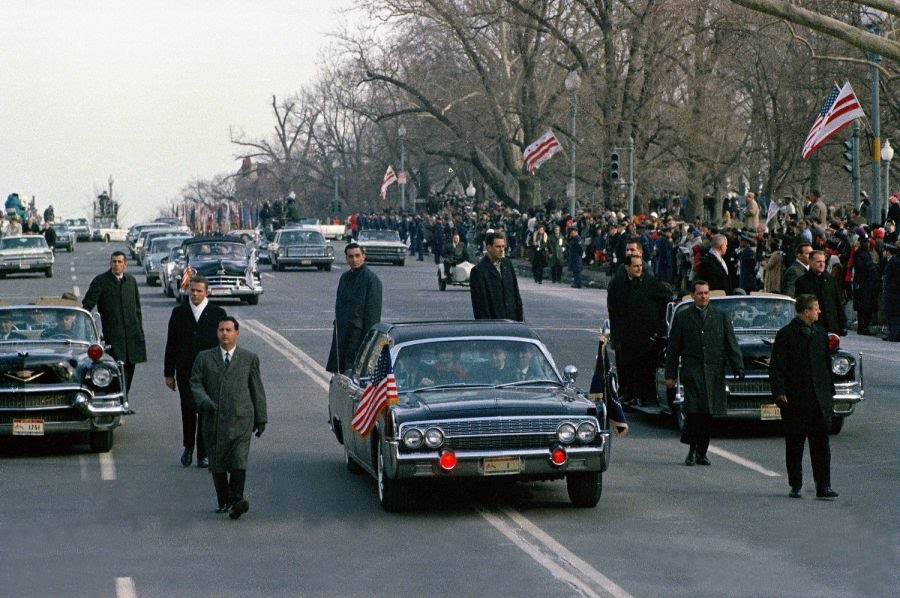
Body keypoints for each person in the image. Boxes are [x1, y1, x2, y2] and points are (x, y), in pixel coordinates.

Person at [191, 317, 267, 518]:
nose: (225, 333)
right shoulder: (204, 358)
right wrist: (204, 401)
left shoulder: (249, 358)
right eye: (221, 330)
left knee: (238, 460)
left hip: (241, 419)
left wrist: (261, 419)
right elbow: (195, 384)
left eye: (229, 330)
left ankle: (236, 499)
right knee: (217, 462)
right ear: (217, 333)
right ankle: (225, 500)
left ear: (237, 333)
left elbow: (257, 389)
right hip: (213, 419)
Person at [665, 280, 743, 466]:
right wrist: (670, 375)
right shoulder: (683, 317)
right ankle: (692, 450)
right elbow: (674, 347)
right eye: (700, 293)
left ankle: (702, 451)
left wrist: (738, 366)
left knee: (708, 414)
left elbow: (730, 343)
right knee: (693, 412)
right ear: (693, 296)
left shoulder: (720, 316)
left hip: (714, 371)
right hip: (692, 371)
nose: (703, 297)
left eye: (706, 293)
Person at [770, 295, 838, 500]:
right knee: (795, 445)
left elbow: (826, 366)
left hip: (818, 400)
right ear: (805, 311)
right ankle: (796, 484)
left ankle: (823, 486)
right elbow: (777, 368)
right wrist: (779, 393)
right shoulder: (786, 335)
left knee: (821, 447)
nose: (819, 312)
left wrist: (830, 393)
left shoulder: (820, 334)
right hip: (796, 400)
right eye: (816, 309)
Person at [164, 276, 228, 468]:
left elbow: (224, 343)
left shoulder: (217, 313)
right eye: (192, 290)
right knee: (189, 410)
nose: (195, 294)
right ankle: (188, 447)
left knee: (206, 412)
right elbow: (171, 343)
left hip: (210, 373)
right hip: (185, 372)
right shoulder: (179, 313)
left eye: (199, 291)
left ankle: (203, 453)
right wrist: (169, 373)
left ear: (207, 292)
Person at [607, 254, 670, 406]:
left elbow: (666, 299)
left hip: (646, 335)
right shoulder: (619, 283)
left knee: (643, 367)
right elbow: (614, 309)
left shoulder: (649, 282)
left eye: (640, 265)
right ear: (627, 267)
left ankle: (642, 396)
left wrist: (659, 325)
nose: (639, 269)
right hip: (627, 334)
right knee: (628, 366)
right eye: (635, 266)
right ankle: (630, 394)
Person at [81, 251, 147, 393]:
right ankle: (116, 400)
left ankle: (124, 400)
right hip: (113, 337)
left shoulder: (131, 281)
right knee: (115, 371)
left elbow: (137, 310)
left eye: (119, 262)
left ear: (125, 264)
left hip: (131, 337)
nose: (116, 265)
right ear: (110, 263)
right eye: (114, 262)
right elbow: (87, 305)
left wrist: (139, 333)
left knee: (129, 371)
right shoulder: (101, 281)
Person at [326, 242, 383, 374]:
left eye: (357, 256)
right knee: (340, 373)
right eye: (350, 256)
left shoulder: (371, 280)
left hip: (358, 337)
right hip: (342, 335)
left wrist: (367, 343)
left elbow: (373, 316)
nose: (354, 260)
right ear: (346, 258)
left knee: (352, 373)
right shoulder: (345, 278)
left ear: (364, 256)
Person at [470, 231, 524, 321]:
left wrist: (520, 320)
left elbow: (516, 295)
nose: (502, 250)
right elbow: (480, 305)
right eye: (498, 247)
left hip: (512, 321)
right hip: (494, 324)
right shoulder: (479, 271)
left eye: (503, 246)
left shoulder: (507, 264)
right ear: (489, 248)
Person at [795, 251, 847, 335]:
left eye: (823, 262)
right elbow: (799, 305)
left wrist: (842, 324)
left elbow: (837, 303)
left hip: (831, 326)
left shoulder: (830, 280)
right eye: (818, 262)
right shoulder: (802, 281)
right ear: (810, 262)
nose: (822, 264)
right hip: (812, 327)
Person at [881, 244, 900, 341]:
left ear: (888, 252)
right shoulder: (889, 261)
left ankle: (895, 335)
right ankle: (892, 333)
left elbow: (896, 278)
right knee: (890, 314)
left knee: (894, 315)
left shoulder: (895, 262)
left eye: (885, 250)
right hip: (890, 292)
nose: (883, 252)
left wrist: (891, 287)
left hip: (894, 293)